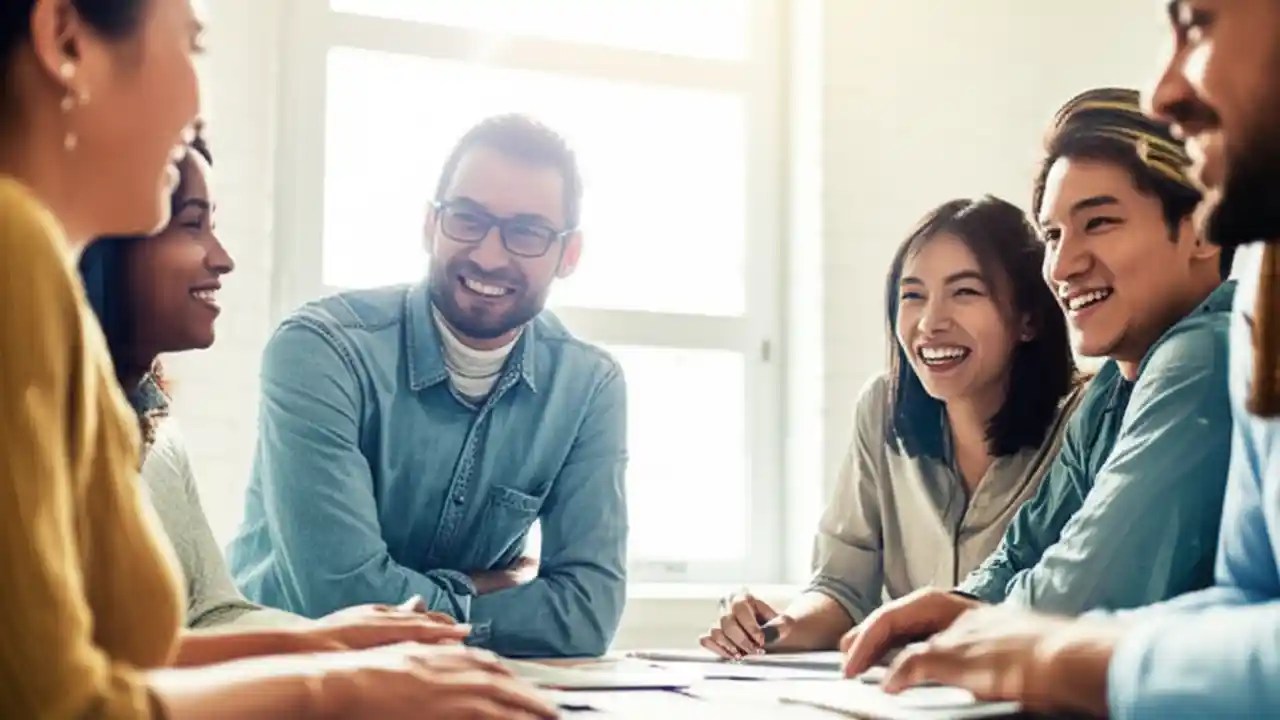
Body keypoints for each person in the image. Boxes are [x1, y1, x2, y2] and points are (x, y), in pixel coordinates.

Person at [0, 1, 554, 718]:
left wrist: (325, 648)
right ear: (66, 39)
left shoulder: (69, 319)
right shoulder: (13, 254)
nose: (198, 105)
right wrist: (334, 688)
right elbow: (62, 705)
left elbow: (106, 653)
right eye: (190, 45)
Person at [848, 3, 1280, 718]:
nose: (1063, 264)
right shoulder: (1116, 382)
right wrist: (963, 605)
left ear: (1200, 226)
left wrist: (1009, 637)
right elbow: (1034, 548)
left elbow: (1080, 594)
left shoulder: (1200, 354)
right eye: (1052, 234)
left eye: (1100, 222)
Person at [228, 113, 628, 658]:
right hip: (286, 679)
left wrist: (420, 601)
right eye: (467, 219)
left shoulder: (588, 388)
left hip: (449, 692)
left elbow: (586, 615)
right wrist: (475, 588)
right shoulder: (320, 351)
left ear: (569, 254)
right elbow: (337, 600)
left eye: (527, 233)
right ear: (429, 224)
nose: (489, 255)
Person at [79, 127, 477, 655]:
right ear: (105, 247)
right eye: (193, 224)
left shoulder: (160, 433)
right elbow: (91, 669)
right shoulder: (38, 429)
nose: (222, 258)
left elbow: (213, 612)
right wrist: (329, 656)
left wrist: (339, 642)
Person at [700, 196, 1079, 659]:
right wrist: (775, 629)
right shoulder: (882, 408)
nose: (930, 323)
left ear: (1029, 318)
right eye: (912, 295)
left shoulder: (1085, 422)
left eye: (965, 292)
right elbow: (843, 587)